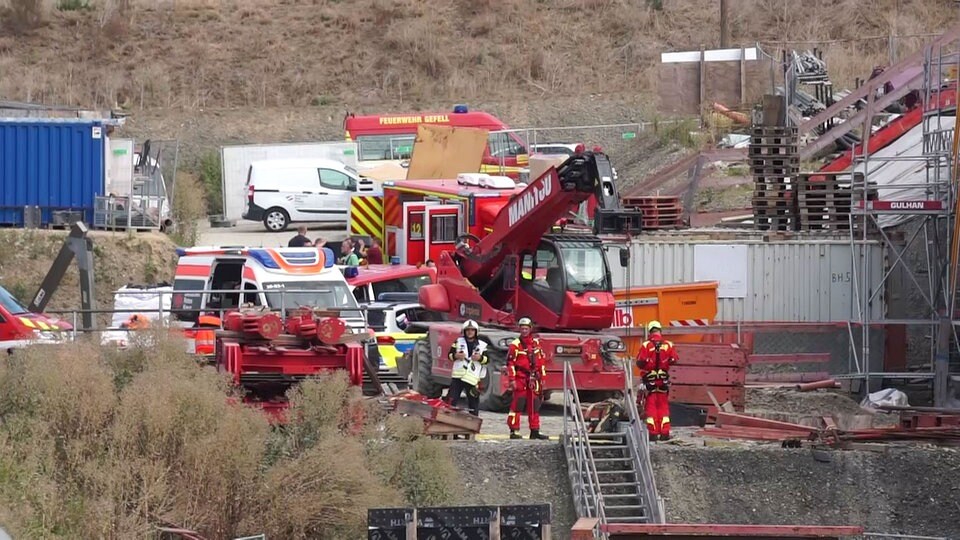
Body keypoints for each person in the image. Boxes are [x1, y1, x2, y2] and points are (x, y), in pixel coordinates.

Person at [506, 317, 550, 440]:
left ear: (530, 329)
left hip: (533, 379)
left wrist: (543, 378)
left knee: (534, 406)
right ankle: (514, 431)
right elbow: (510, 363)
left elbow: (541, 362)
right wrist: (512, 380)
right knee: (517, 405)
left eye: (526, 328)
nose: (524, 330)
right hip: (520, 379)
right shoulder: (515, 345)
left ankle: (534, 431)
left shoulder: (536, 344)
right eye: (522, 328)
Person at [636, 320, 679, 441]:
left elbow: (640, 362)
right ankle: (665, 432)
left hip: (650, 382)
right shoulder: (669, 344)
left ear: (650, 331)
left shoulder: (646, 345)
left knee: (651, 408)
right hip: (663, 381)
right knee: (663, 407)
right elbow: (674, 359)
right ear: (660, 330)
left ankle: (653, 433)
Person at [444, 320, 488, 416]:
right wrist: (456, 356)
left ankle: (473, 422)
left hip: (472, 379)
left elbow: (487, 360)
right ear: (464, 331)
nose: (470, 332)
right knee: (451, 399)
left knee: (473, 402)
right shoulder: (458, 342)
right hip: (458, 378)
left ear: (476, 331)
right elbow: (449, 356)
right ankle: (446, 419)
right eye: (468, 330)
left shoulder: (482, 345)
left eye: (472, 330)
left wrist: (480, 358)